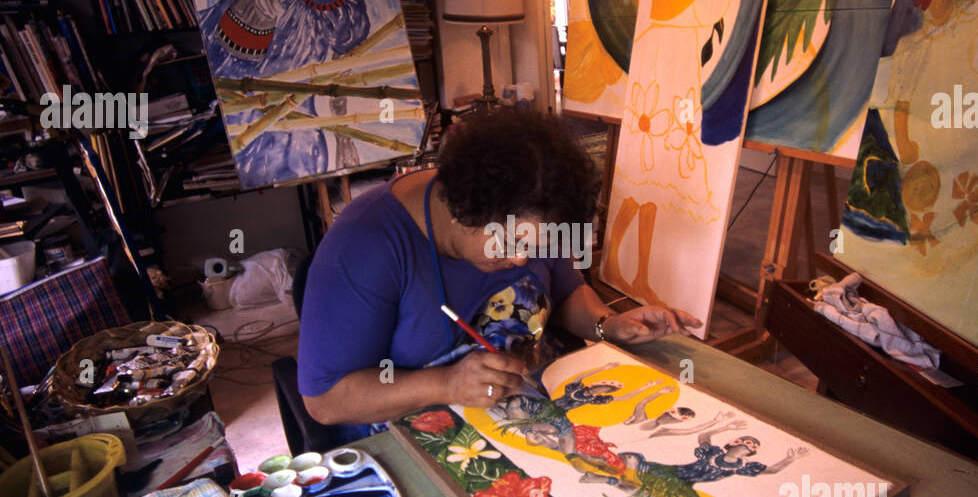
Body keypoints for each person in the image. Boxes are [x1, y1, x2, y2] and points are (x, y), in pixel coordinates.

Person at [298, 110, 702, 434]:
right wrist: (445, 385)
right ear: (462, 209)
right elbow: (325, 401)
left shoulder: (535, 210)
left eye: (535, 246)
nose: (523, 260)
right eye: (511, 244)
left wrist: (607, 325)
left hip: (537, 411)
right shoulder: (364, 245)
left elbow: (564, 293)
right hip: (421, 438)